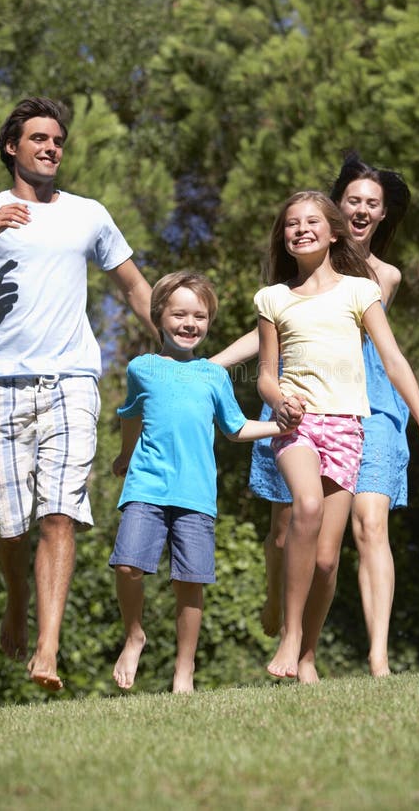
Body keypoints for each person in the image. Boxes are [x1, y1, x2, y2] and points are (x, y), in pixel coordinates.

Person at [0, 97, 156, 692]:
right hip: (0, 382)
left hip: (72, 380)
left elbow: (134, 286)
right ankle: (17, 596)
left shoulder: (88, 214)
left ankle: (48, 649)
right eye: (39, 138)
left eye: (58, 140)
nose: (51, 147)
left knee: (59, 516)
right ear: (11, 146)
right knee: (10, 527)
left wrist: (175, 341)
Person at [255, 190, 419, 680]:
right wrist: (279, 400)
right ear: (283, 235)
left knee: (325, 561)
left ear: (334, 233)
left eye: (311, 221)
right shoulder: (272, 298)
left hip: (346, 428)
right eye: (291, 223)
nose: (301, 229)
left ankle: (307, 655)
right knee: (307, 507)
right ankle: (291, 635)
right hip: (297, 426)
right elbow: (266, 375)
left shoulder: (361, 292)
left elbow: (394, 361)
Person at [108, 271, 295, 694]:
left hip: (196, 495)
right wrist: (125, 454)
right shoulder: (142, 368)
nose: (189, 324)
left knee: (190, 583)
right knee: (128, 566)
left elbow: (235, 428)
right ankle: (134, 635)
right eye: (179, 314)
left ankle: (184, 670)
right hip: (146, 486)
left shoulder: (214, 376)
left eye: (200, 316)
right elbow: (131, 415)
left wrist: (278, 427)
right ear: (159, 315)